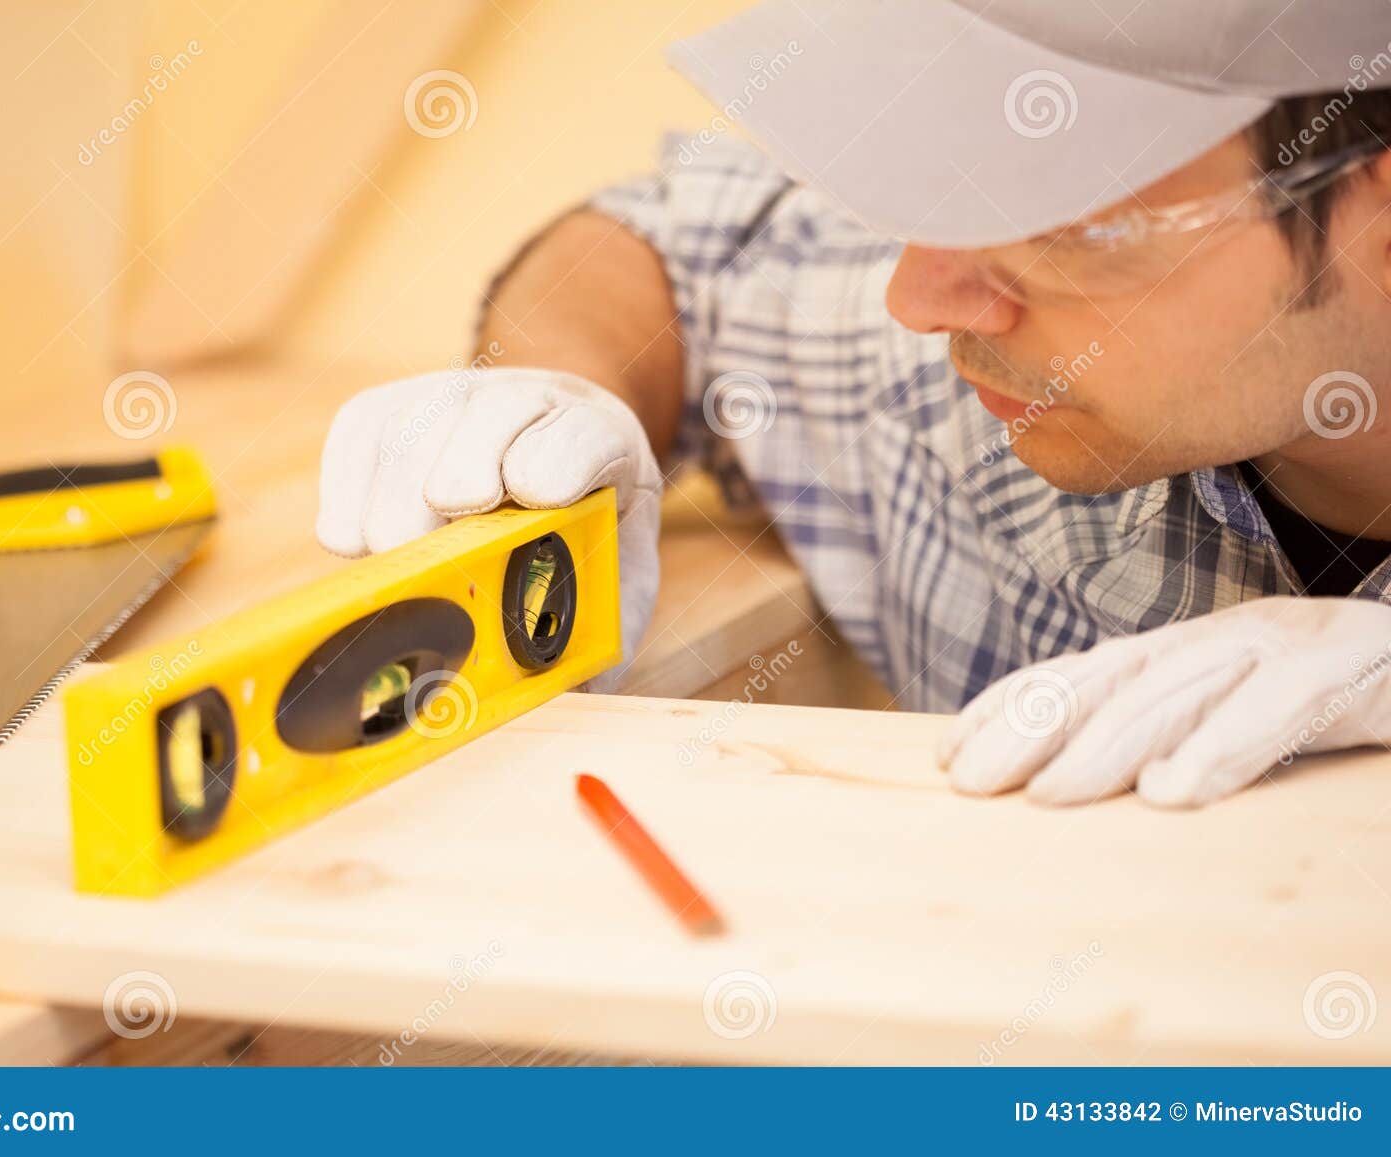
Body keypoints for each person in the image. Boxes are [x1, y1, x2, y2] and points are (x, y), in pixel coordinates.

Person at [316, 0, 1391, 808]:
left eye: (1064, 221)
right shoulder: (963, 397)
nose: (918, 299)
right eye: (953, 183)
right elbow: (673, 247)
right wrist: (554, 390)